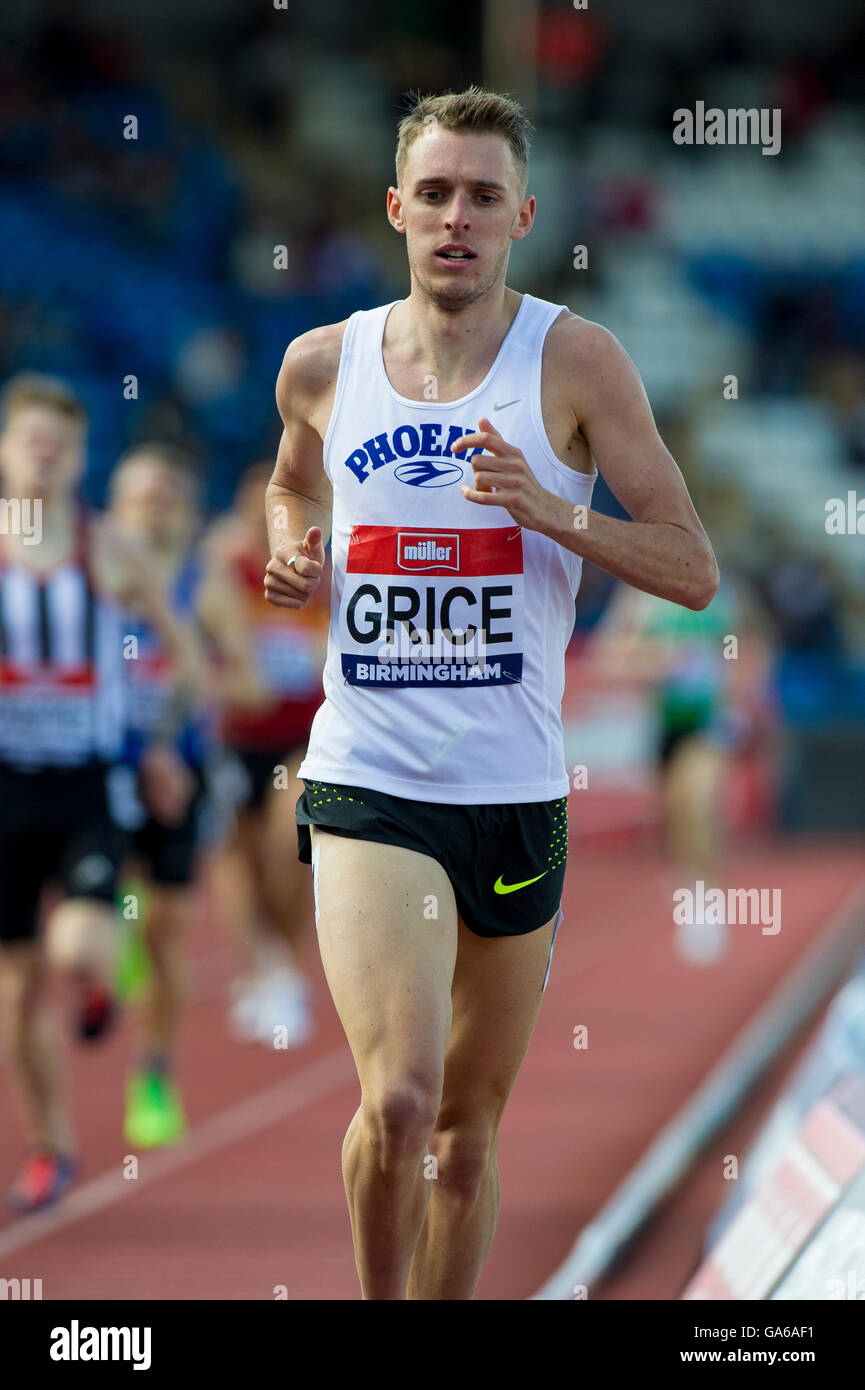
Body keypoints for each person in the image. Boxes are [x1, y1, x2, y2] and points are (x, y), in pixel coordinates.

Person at [262, 87, 719, 1299]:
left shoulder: (573, 360)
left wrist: (551, 511)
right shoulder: (323, 362)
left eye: (481, 198)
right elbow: (293, 483)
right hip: (368, 781)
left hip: (514, 793)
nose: (454, 218)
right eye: (434, 194)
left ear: (521, 214)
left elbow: (691, 566)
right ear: (395, 209)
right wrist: (292, 542)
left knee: (465, 1139)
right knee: (400, 1100)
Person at [0, 376, 194, 1212]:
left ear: (80, 459)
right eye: (30, 439)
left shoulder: (107, 548)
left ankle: (102, 983)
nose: (44, 454)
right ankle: (50, 1147)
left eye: (60, 443)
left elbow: (183, 653)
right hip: (6, 788)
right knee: (14, 987)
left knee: (80, 946)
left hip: (86, 785)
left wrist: (157, 746)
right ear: (6, 452)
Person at [108, 443, 264, 1144]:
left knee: (168, 932)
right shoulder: (91, 574)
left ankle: (154, 1077)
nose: (155, 506)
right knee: (105, 919)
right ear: (116, 509)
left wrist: (197, 688)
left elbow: (252, 684)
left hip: (183, 771)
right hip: (102, 767)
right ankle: (115, 931)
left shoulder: (205, 585)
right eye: (142, 496)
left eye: (167, 495)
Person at [207, 462, 328, 1047]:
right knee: (239, 864)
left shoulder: (322, 570)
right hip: (235, 738)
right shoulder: (226, 571)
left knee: (288, 847)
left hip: (300, 740)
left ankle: (284, 966)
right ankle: (259, 966)